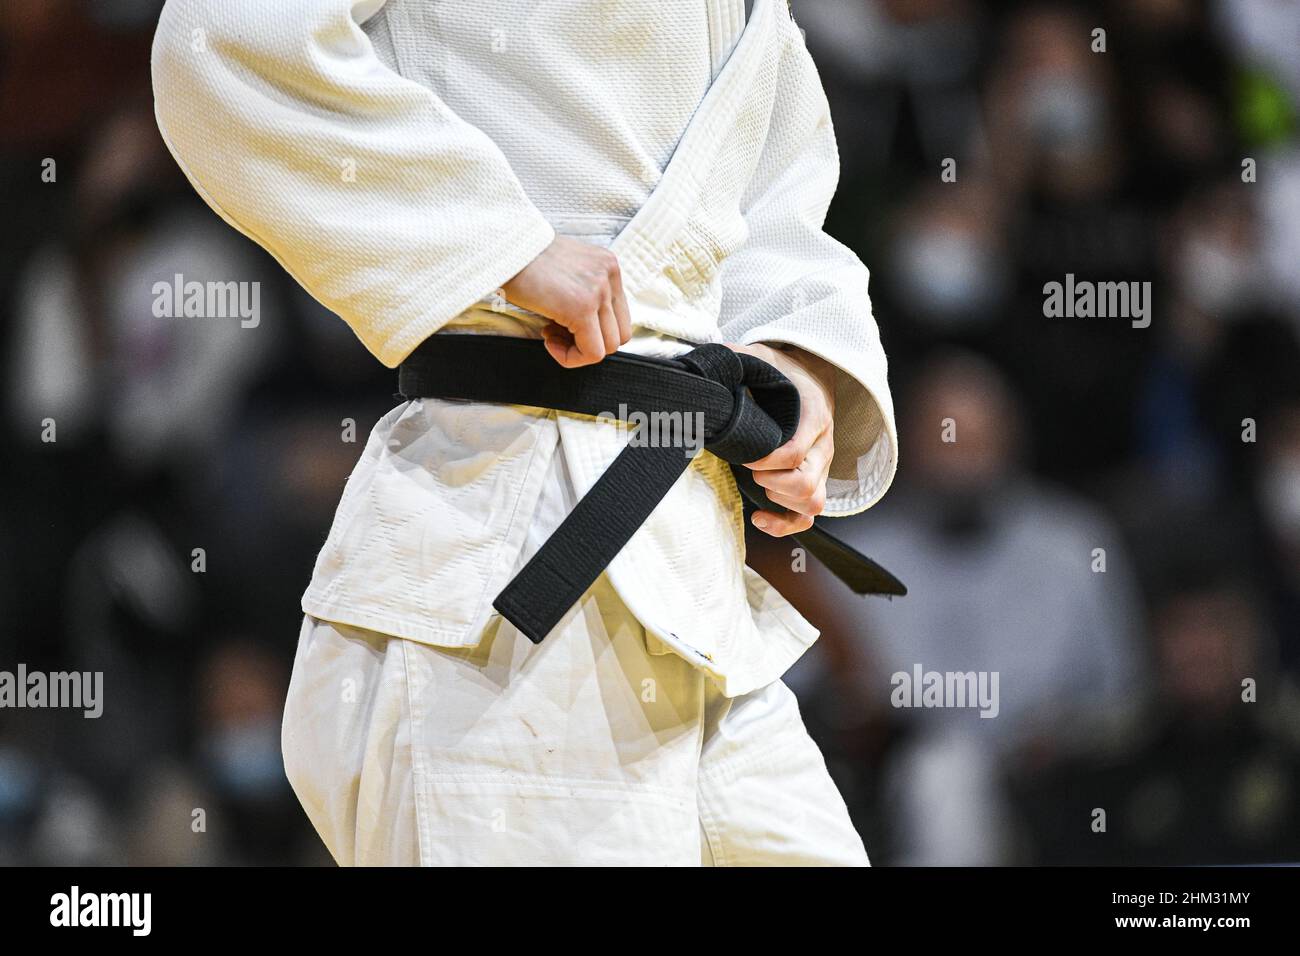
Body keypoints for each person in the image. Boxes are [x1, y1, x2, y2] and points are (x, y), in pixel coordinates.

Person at [150, 0, 897, 865]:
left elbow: (769, 174)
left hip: (696, 591)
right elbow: (224, 36)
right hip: (509, 565)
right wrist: (495, 242)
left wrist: (793, 364)